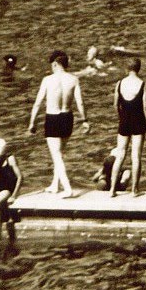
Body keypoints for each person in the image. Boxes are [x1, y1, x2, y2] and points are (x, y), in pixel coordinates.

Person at [27, 50, 89, 196]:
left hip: (53, 118)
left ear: (55, 64)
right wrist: (85, 120)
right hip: (67, 117)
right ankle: (55, 185)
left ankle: (67, 189)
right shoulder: (74, 79)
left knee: (56, 155)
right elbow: (80, 102)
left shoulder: (47, 80)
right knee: (59, 153)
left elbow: (37, 103)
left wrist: (32, 123)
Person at [108, 58, 146, 197]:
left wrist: (121, 117)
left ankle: (112, 190)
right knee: (136, 156)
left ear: (127, 68)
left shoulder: (120, 83)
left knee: (120, 155)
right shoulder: (143, 84)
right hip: (138, 122)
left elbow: (115, 104)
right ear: (139, 68)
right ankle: (134, 190)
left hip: (124, 121)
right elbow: (145, 106)